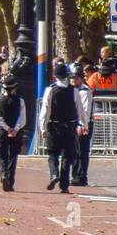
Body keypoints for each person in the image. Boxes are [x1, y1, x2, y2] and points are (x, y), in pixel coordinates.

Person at [38, 62, 88, 193]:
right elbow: (80, 110)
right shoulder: (74, 91)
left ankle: (54, 174)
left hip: (54, 126)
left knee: (52, 153)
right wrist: (84, 124)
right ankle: (64, 185)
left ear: (55, 76)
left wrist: (42, 127)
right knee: (67, 156)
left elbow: (45, 110)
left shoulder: (50, 90)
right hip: (70, 127)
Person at [0, 74, 25, 192]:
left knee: (2, 155)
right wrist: (15, 129)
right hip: (16, 132)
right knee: (13, 156)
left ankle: (3, 174)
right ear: (15, 87)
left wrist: (7, 128)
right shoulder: (20, 101)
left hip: (2, 131)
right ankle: (10, 182)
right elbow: (22, 118)